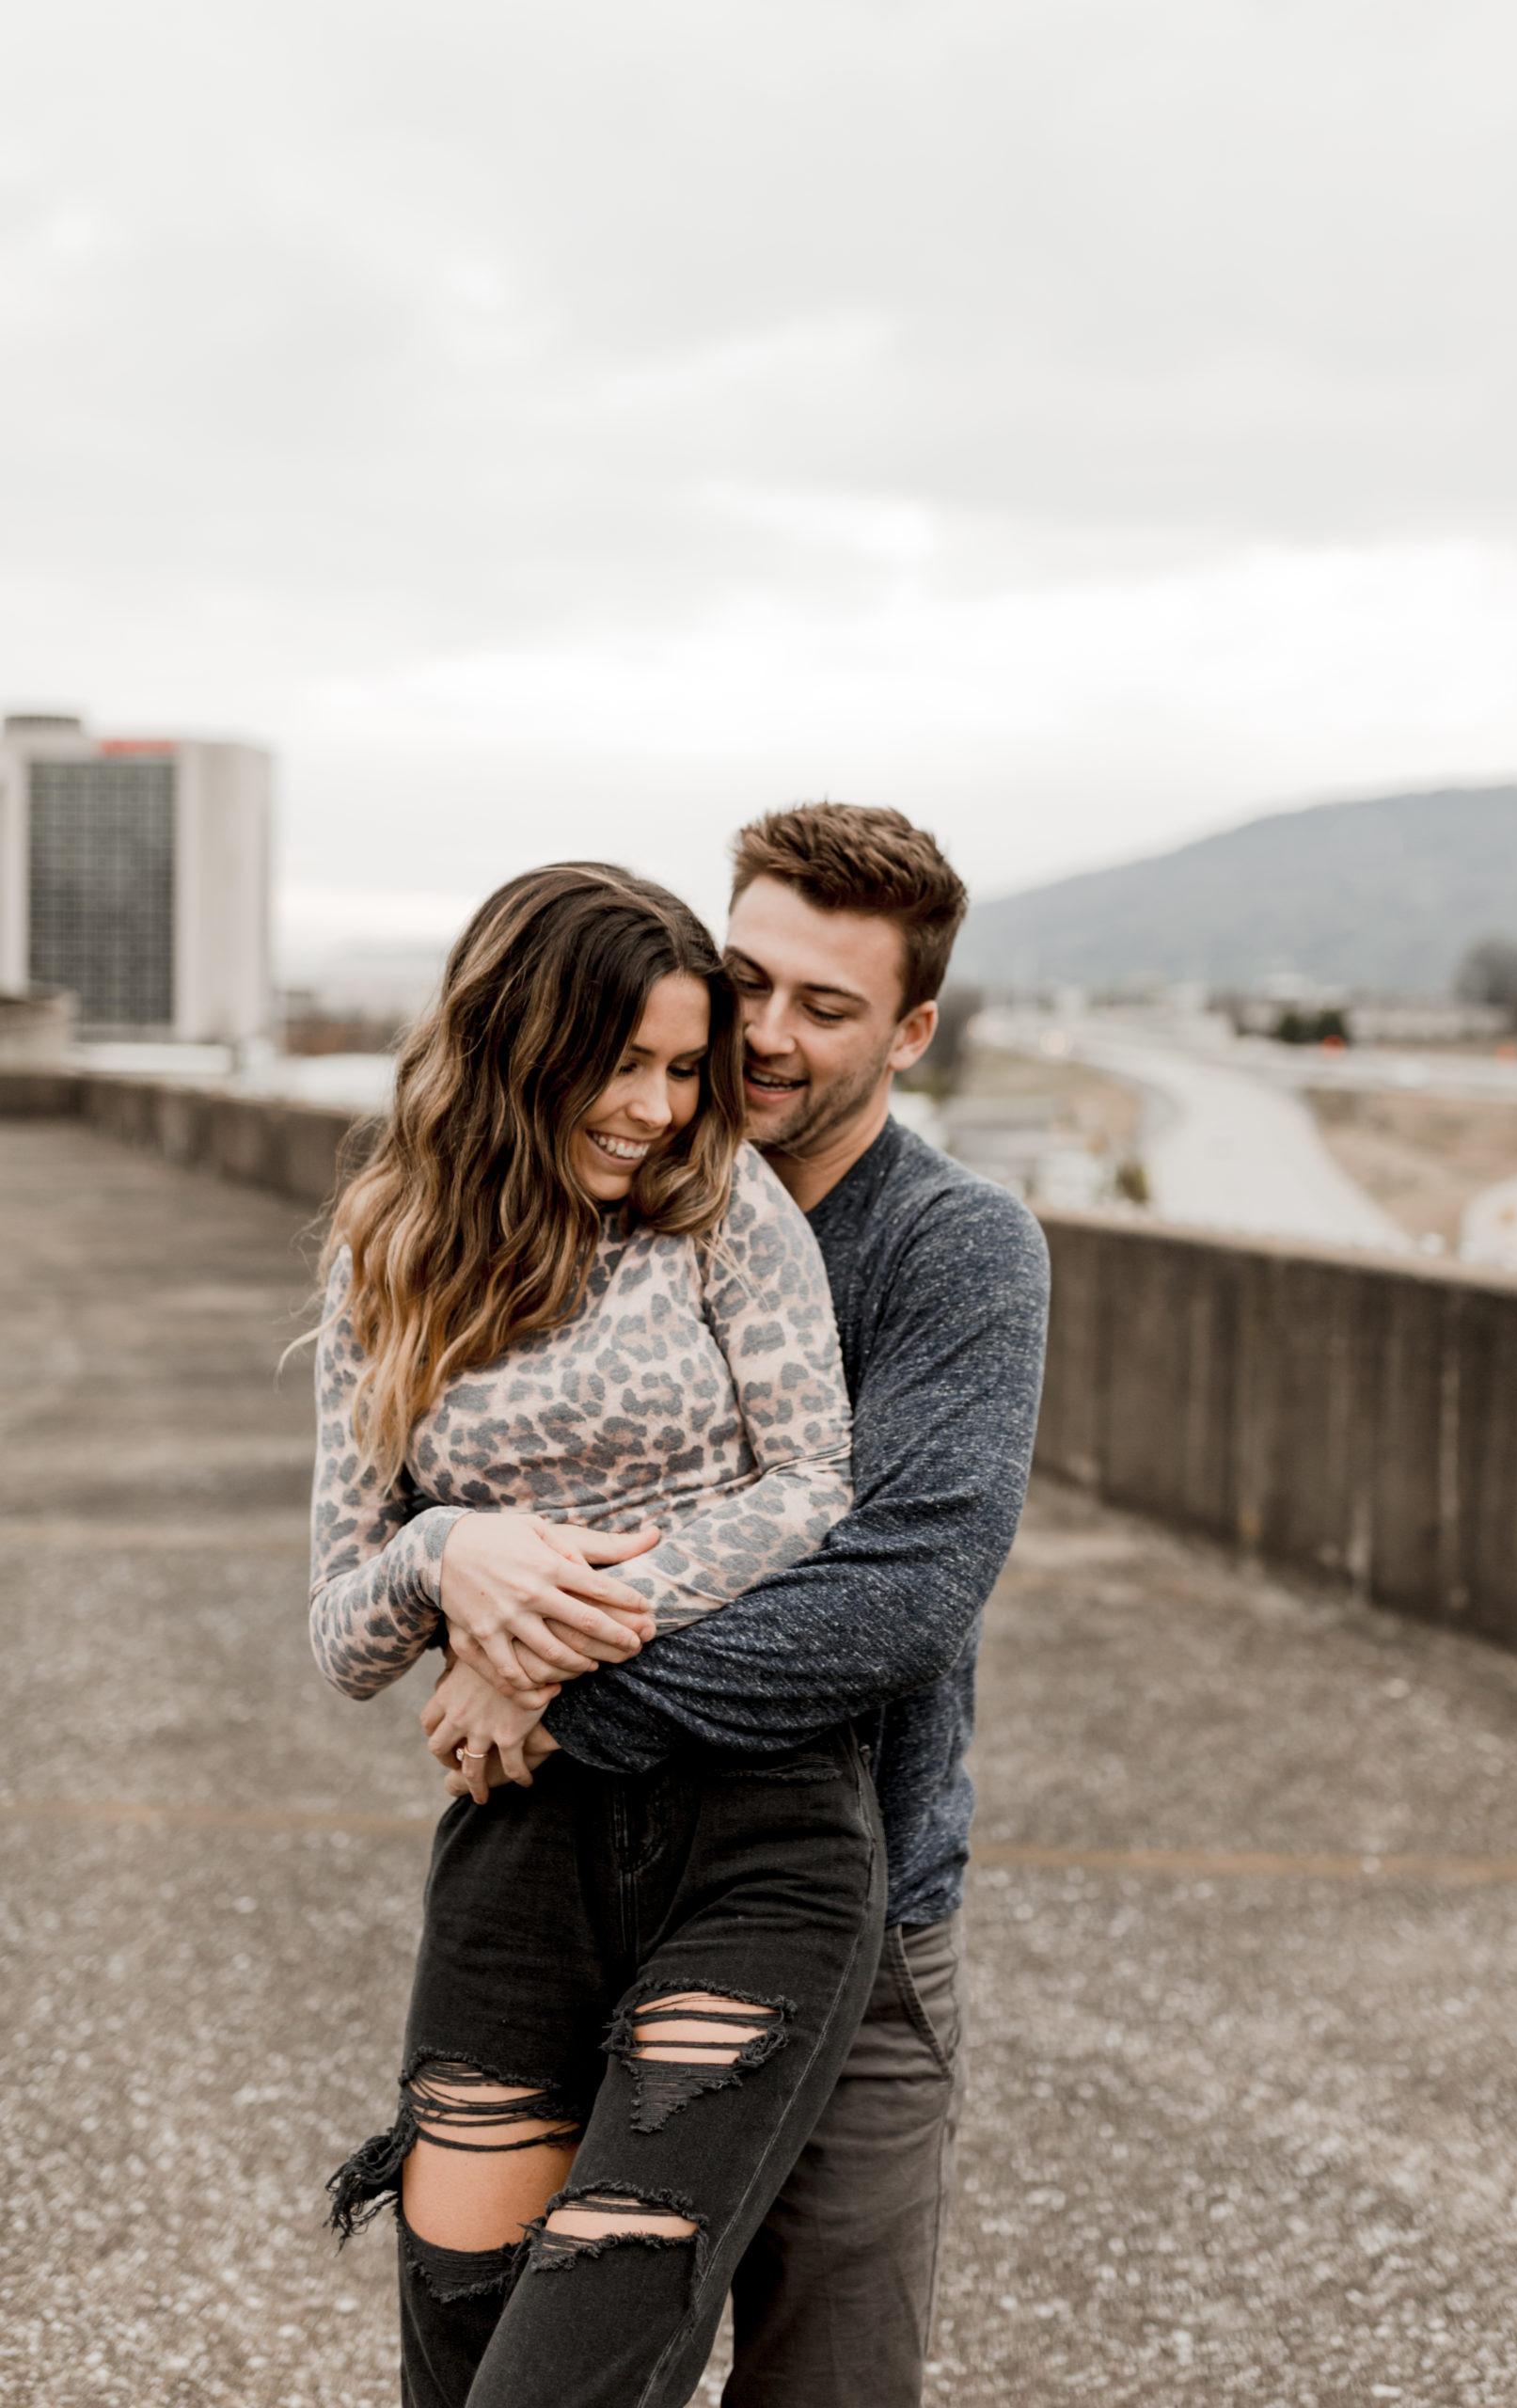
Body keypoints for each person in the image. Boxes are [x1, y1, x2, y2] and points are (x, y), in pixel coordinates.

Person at [430, 803, 1051, 2407]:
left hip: (855, 1899)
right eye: (746, 982)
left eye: (826, 1007)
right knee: (523, 2359)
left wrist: (548, 1684)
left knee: (824, 2375)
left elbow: (894, 1599)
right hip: (564, 1884)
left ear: (911, 1032)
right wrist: (449, 1552)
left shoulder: (953, 1248)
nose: (764, 1036)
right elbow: (455, 1476)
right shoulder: (584, 1192)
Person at [308, 863, 888, 2408]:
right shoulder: (386, 1253)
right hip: (517, 1856)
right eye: (620, 1063)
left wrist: (537, 1646)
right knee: (461, 2343)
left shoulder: (724, 1208)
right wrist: (450, 1550)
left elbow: (811, 1486)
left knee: (569, 2364)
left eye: (683, 1069)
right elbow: (346, 1634)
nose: (654, 1108)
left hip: (756, 1836)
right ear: (517, 1046)